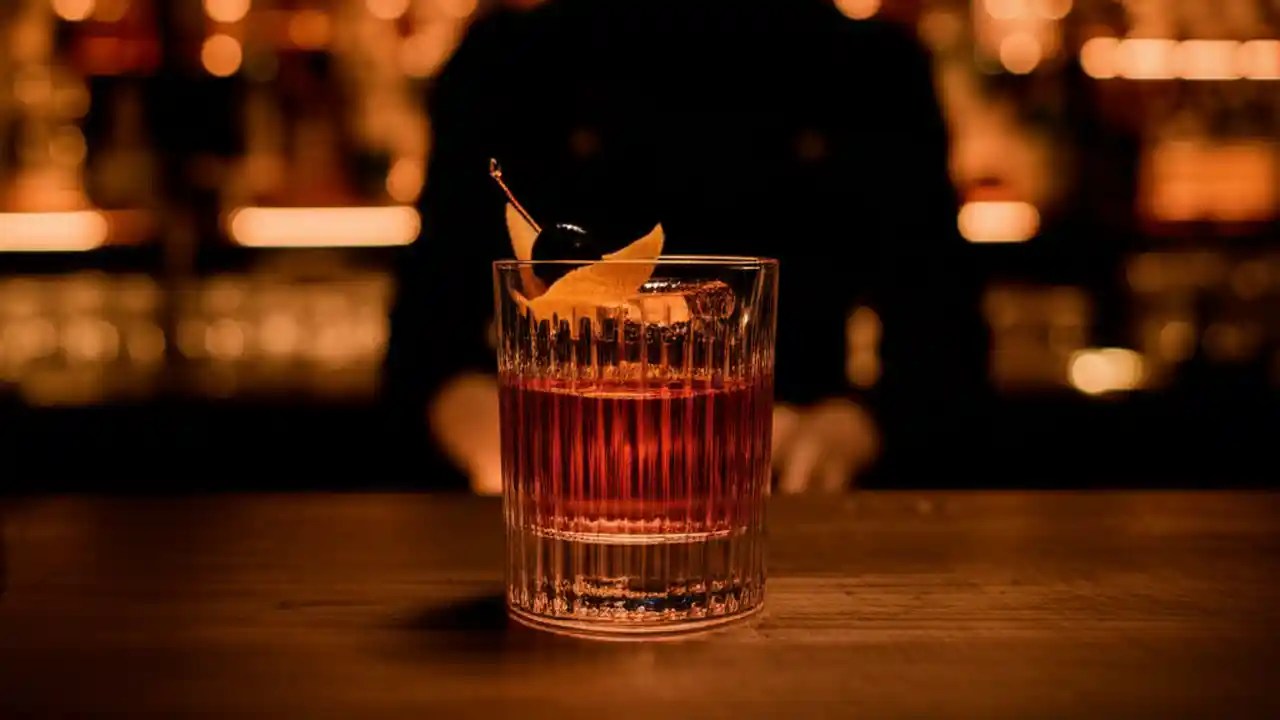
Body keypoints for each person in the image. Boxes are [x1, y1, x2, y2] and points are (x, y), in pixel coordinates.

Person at [384, 0, 988, 493]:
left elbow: (944, 347)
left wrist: (853, 429)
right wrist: (502, 439)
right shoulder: (506, 66)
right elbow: (424, 347)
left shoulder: (875, 72)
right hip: (564, 485)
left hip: (784, 488)